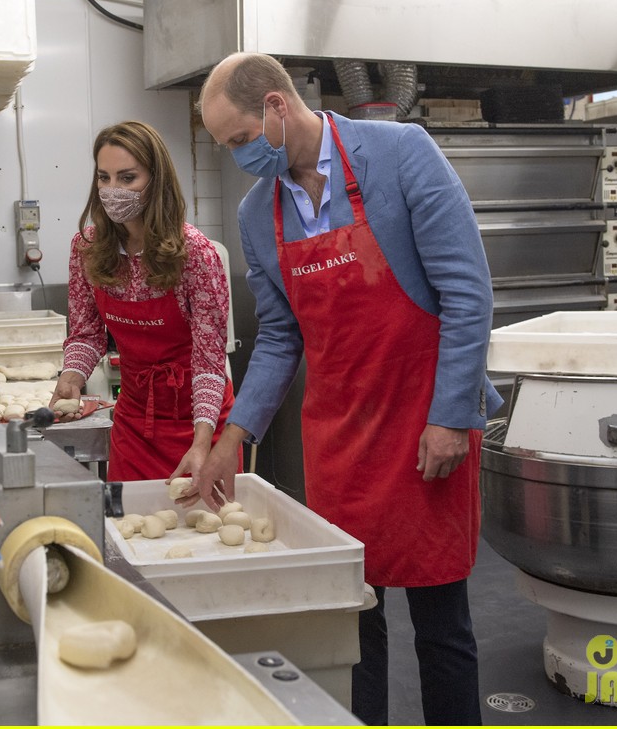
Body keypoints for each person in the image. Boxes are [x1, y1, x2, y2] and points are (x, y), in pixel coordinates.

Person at [180, 52, 503, 726]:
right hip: (340, 437)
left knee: (440, 620)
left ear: (276, 105)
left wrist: (451, 416)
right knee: (350, 619)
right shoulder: (257, 213)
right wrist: (232, 438)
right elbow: (279, 337)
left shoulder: (401, 155)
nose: (239, 156)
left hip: (423, 420)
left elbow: (467, 293)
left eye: (241, 139)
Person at [50, 120, 239, 482]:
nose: (112, 190)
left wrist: (201, 444)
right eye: (104, 178)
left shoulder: (195, 255)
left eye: (127, 178)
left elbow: (208, 361)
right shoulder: (88, 248)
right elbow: (86, 334)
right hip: (135, 422)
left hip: (200, 423)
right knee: (130, 516)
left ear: (156, 180)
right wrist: (71, 377)